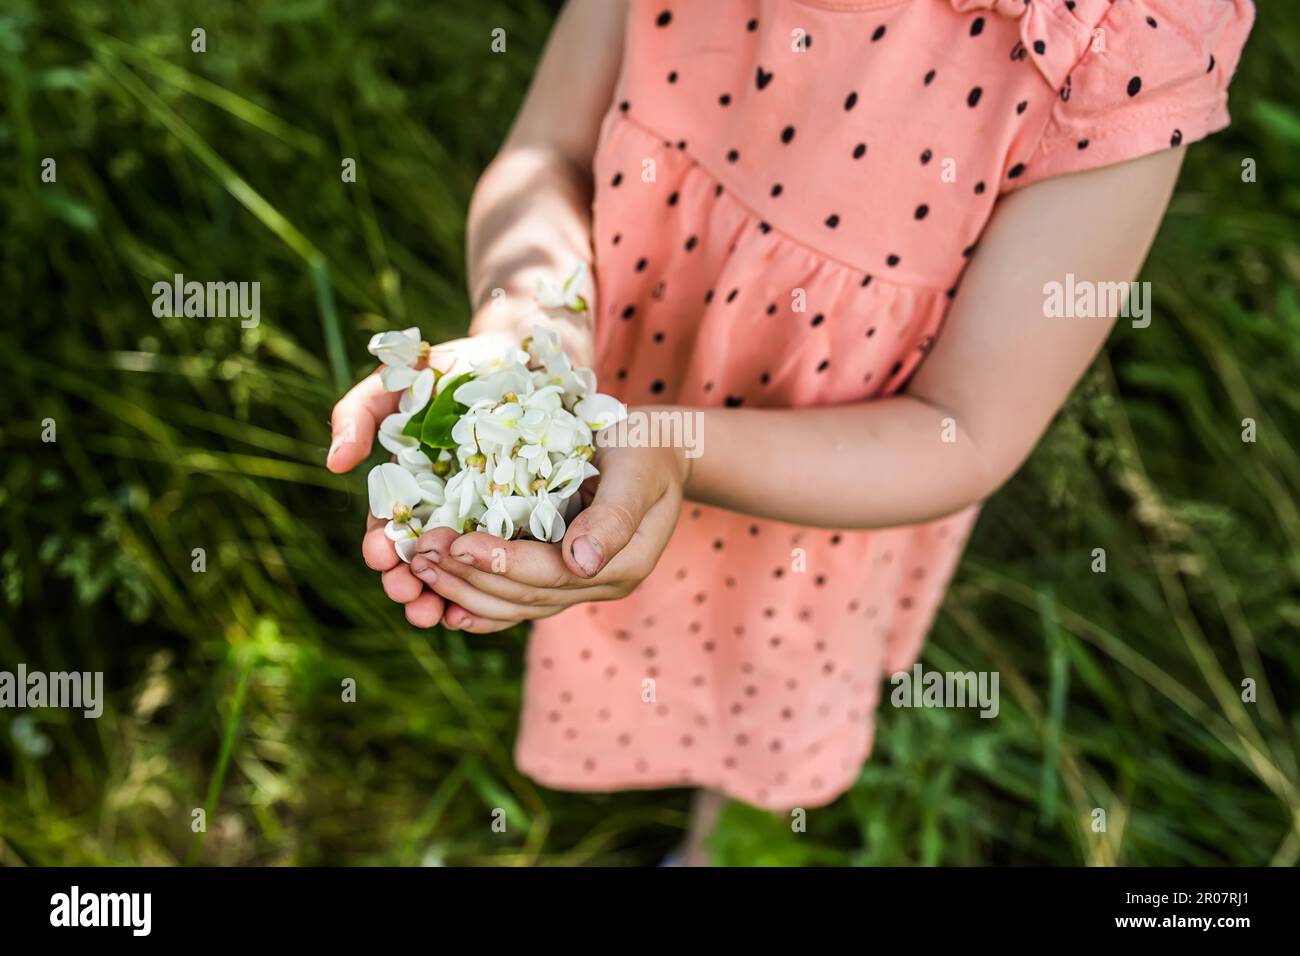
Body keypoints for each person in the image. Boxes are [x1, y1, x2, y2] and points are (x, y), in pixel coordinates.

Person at [328, 0, 1256, 865]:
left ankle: (724, 844)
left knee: (758, 711)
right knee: (605, 597)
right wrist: (528, 346)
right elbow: (549, 155)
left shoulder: (1116, 42)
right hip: (612, 414)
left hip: (819, 511)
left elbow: (965, 428)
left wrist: (681, 449)